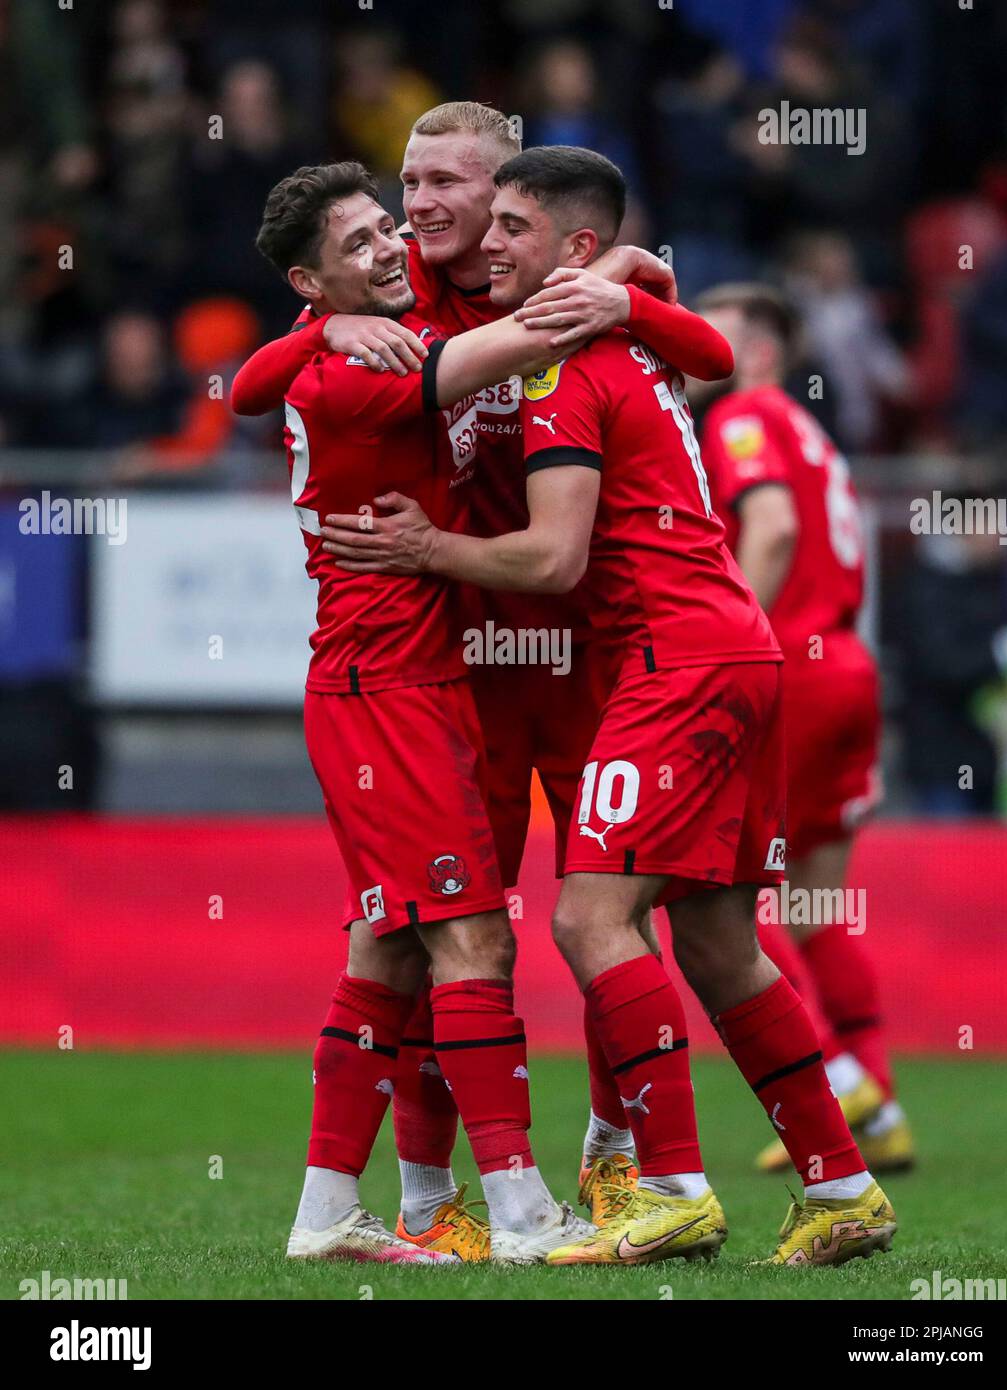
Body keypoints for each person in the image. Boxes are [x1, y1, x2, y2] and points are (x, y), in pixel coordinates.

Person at [322, 145, 898, 1268]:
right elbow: (710, 346)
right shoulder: (623, 330)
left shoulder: (559, 366)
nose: (487, 241)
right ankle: (843, 1186)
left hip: (672, 658)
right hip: (737, 648)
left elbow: (549, 557)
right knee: (724, 939)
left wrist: (420, 546)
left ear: (572, 250)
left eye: (514, 226)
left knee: (588, 917)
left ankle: (667, 1186)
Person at [232, 101, 735, 1254]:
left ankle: (612, 1159)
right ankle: (436, 1192)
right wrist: (319, 335)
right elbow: (257, 379)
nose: (419, 210)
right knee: (455, 929)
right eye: (408, 185)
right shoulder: (386, 289)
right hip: (449, 654)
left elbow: (715, 356)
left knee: (580, 914)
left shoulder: (517, 283)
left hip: (573, 653)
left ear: (510, 198)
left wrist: (625, 292)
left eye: (448, 185)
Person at [255, 158, 600, 1264]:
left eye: (382, 230)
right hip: (384, 695)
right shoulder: (365, 376)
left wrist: (313, 331)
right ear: (312, 281)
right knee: (472, 936)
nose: (387, 249)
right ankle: (518, 1212)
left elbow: (261, 372)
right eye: (355, 246)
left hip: (400, 685)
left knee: (388, 949)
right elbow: (541, 336)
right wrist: (625, 272)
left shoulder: (345, 350)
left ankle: (323, 1213)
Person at [694, 282, 915, 1173]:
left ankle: (830, 1069)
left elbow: (774, 528)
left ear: (760, 349)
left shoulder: (743, 416)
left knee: (718, 897)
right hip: (846, 669)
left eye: (713, 332)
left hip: (786, 668)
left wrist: (727, 638)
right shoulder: (810, 430)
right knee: (818, 902)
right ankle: (880, 1108)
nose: (695, 346)